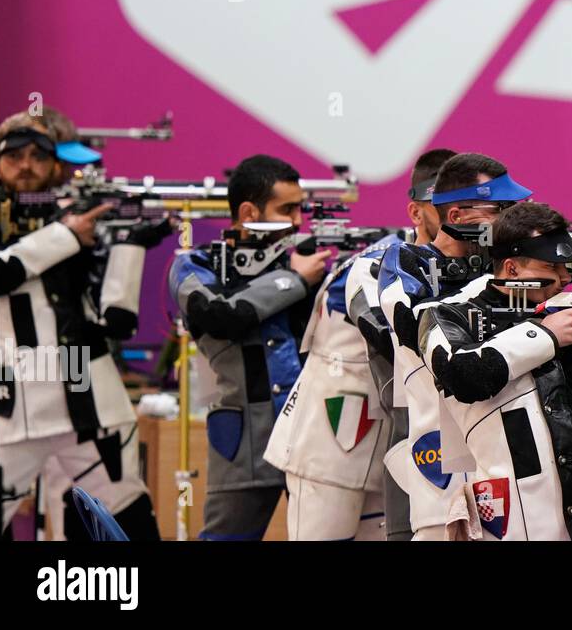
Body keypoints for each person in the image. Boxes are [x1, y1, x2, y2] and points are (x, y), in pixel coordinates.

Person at [264, 148, 455, 541]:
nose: (462, 219)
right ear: (416, 212)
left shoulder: (456, 268)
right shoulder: (375, 264)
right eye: (448, 207)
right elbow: (396, 340)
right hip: (328, 446)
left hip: (389, 447)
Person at [0, 109, 164, 538]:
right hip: (7, 406)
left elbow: (117, 321)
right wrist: (65, 237)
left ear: (55, 166)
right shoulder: (63, 227)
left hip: (86, 405)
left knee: (129, 521)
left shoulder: (84, 217)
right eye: (15, 155)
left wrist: (129, 245)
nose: (26, 164)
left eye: (38, 155)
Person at [168, 154, 333, 539]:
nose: (297, 221)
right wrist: (292, 280)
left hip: (310, 436)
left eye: (300, 209)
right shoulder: (196, 264)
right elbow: (219, 315)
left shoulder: (311, 262)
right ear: (247, 211)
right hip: (242, 442)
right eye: (286, 209)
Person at [417, 201, 572, 540]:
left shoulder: (569, 313)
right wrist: (544, 334)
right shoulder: (448, 316)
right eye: (551, 266)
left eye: (567, 267)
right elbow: (464, 375)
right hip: (512, 517)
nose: (564, 278)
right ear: (512, 269)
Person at [376, 152, 532, 538]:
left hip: (502, 460)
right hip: (440, 461)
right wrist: (490, 286)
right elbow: (416, 323)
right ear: (458, 215)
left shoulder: (503, 266)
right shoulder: (406, 261)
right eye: (500, 209)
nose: (510, 220)